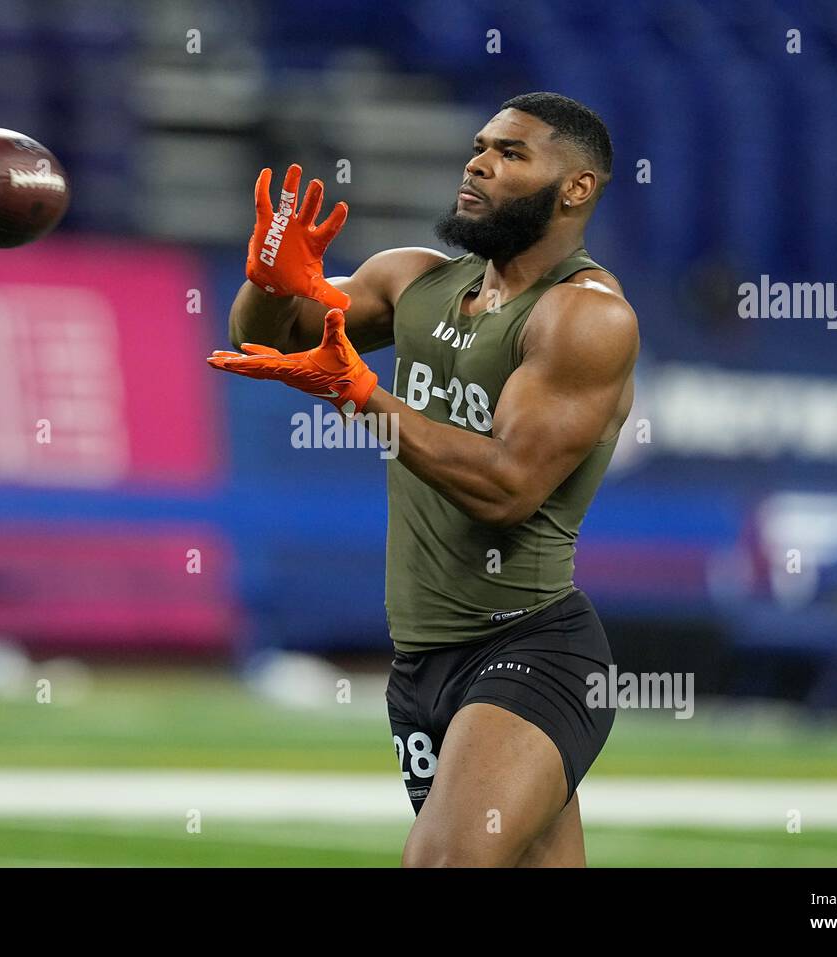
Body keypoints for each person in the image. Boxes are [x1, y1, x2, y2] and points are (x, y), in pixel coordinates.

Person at [210, 92, 639, 867]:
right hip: (421, 665)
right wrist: (271, 283)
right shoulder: (414, 279)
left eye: (512, 153)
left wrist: (361, 395)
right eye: (479, 146)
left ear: (577, 187)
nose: (478, 162)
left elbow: (508, 488)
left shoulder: (585, 316)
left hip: (531, 647)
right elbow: (261, 341)